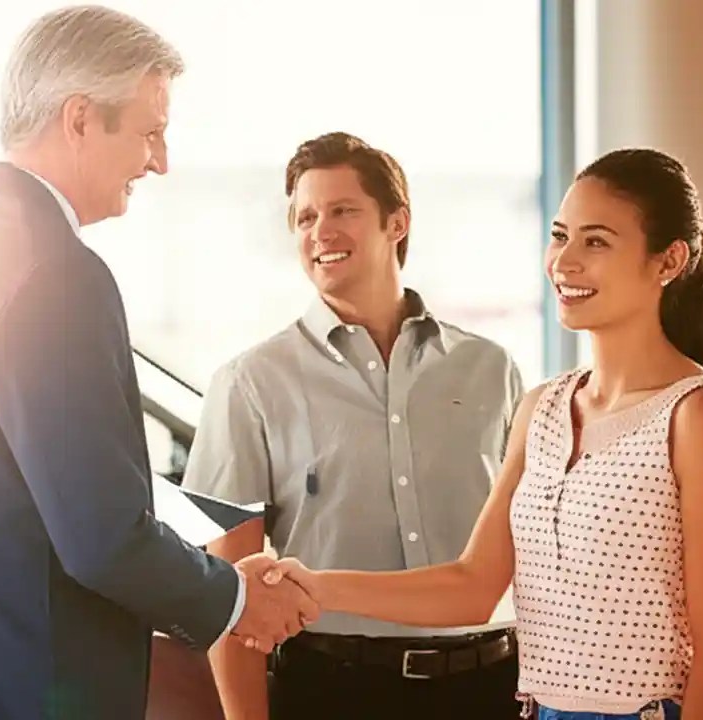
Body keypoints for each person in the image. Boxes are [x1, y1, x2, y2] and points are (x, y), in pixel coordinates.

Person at [0, 6, 316, 720]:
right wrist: (235, 598)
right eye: (150, 131)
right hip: (27, 688)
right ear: (79, 119)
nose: (160, 161)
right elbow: (100, 540)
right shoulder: (57, 271)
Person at [267, 147, 703, 719]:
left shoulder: (701, 416)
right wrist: (311, 585)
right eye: (560, 235)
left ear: (669, 260)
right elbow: (473, 586)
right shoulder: (541, 408)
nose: (564, 262)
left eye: (596, 241)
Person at [181, 131, 525, 719]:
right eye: (305, 217)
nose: (321, 232)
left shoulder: (491, 370)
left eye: (343, 210)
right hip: (331, 690)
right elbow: (229, 592)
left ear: (397, 222)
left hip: (489, 685)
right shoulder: (249, 383)